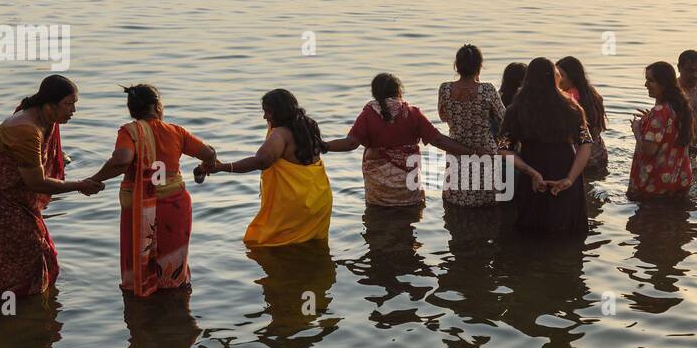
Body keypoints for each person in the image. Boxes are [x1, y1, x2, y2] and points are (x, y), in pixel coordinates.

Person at [0, 75, 103, 299]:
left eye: (75, 104)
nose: (73, 110)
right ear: (49, 105)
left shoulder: (44, 118)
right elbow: (36, 182)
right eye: (68, 104)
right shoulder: (27, 129)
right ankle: (10, 302)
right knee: (18, 248)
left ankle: (30, 309)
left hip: (11, 187)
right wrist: (80, 185)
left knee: (35, 247)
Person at [83, 85, 218, 296]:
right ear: (157, 107)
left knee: (137, 260)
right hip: (174, 205)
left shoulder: (130, 131)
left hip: (138, 206)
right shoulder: (176, 131)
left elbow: (122, 160)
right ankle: (174, 305)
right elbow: (209, 153)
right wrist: (203, 168)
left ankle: (140, 308)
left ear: (132, 110)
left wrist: (93, 180)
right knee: (172, 263)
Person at [197, 90, 338, 247]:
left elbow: (261, 161)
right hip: (319, 198)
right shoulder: (308, 125)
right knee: (311, 247)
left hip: (294, 204)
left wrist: (223, 167)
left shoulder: (280, 135)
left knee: (266, 247)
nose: (265, 117)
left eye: (267, 112)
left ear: (279, 112)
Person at [327, 74, 473, 207]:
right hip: (408, 193)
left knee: (377, 228)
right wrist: (470, 151)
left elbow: (350, 143)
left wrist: (322, 145)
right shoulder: (412, 113)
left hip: (378, 196)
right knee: (408, 228)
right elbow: (439, 141)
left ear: (375, 94)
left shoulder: (368, 114)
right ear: (399, 91)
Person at [497, 57, 591, 235]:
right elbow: (586, 145)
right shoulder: (571, 107)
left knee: (533, 231)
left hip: (533, 170)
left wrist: (531, 172)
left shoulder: (516, 109)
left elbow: (503, 148)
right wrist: (570, 179)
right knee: (568, 231)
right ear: (555, 78)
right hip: (565, 168)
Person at [437, 44, 506, 207]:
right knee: (487, 207)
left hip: (456, 153)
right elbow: (504, 119)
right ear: (480, 66)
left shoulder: (445, 89)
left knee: (455, 204)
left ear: (456, 66)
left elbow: (443, 116)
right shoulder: (487, 89)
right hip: (485, 153)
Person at [628, 61, 693, 201]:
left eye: (650, 80)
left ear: (663, 84)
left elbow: (649, 150)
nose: (646, 85)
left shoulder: (659, 112)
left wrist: (637, 129)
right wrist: (649, 121)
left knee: (645, 222)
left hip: (656, 184)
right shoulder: (680, 108)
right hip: (680, 179)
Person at [555, 56, 608, 174]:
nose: (557, 79)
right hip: (599, 153)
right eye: (556, 74)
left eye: (561, 75)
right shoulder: (591, 93)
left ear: (573, 78)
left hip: (579, 159)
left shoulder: (569, 98)